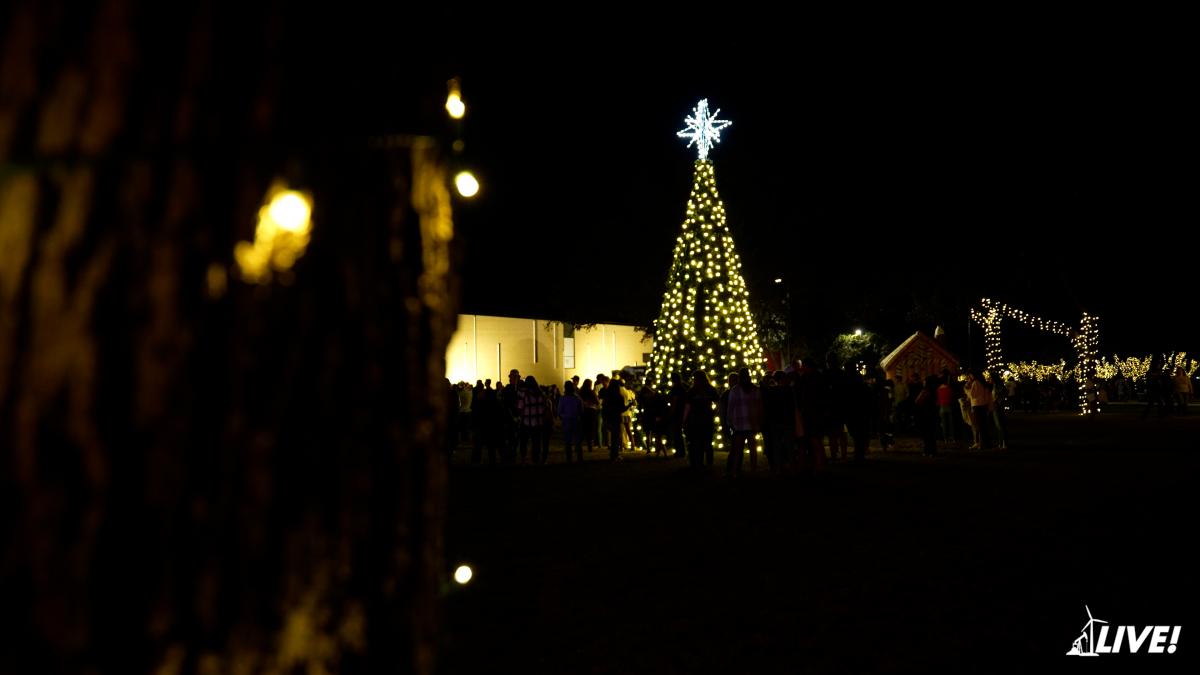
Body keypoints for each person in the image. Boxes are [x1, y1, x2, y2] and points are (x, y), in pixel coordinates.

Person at [725, 368, 763, 477]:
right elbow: (760, 407)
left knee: (738, 450)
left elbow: (730, 408)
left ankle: (735, 472)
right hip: (752, 424)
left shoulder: (735, 390)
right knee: (752, 449)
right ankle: (753, 470)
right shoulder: (755, 389)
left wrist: (729, 422)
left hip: (739, 425)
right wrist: (759, 421)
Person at [682, 370, 718, 468]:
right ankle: (709, 462)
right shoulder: (710, 389)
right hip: (706, 419)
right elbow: (718, 402)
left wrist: (684, 420)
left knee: (697, 442)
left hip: (695, 420)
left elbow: (687, 406)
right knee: (707, 442)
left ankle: (699, 462)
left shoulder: (692, 391)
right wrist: (713, 412)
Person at [517, 375, 548, 464]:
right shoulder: (541, 393)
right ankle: (535, 459)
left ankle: (523, 457)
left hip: (526, 421)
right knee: (536, 442)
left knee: (523, 441)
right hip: (538, 422)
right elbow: (544, 407)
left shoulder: (523, 393)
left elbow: (520, 407)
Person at [558, 381, 584, 462]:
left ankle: (569, 458)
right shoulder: (577, 398)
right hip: (576, 420)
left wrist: (563, 417)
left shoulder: (563, 398)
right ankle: (579, 458)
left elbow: (559, 411)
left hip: (567, 420)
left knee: (567, 441)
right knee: (577, 440)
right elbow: (581, 411)